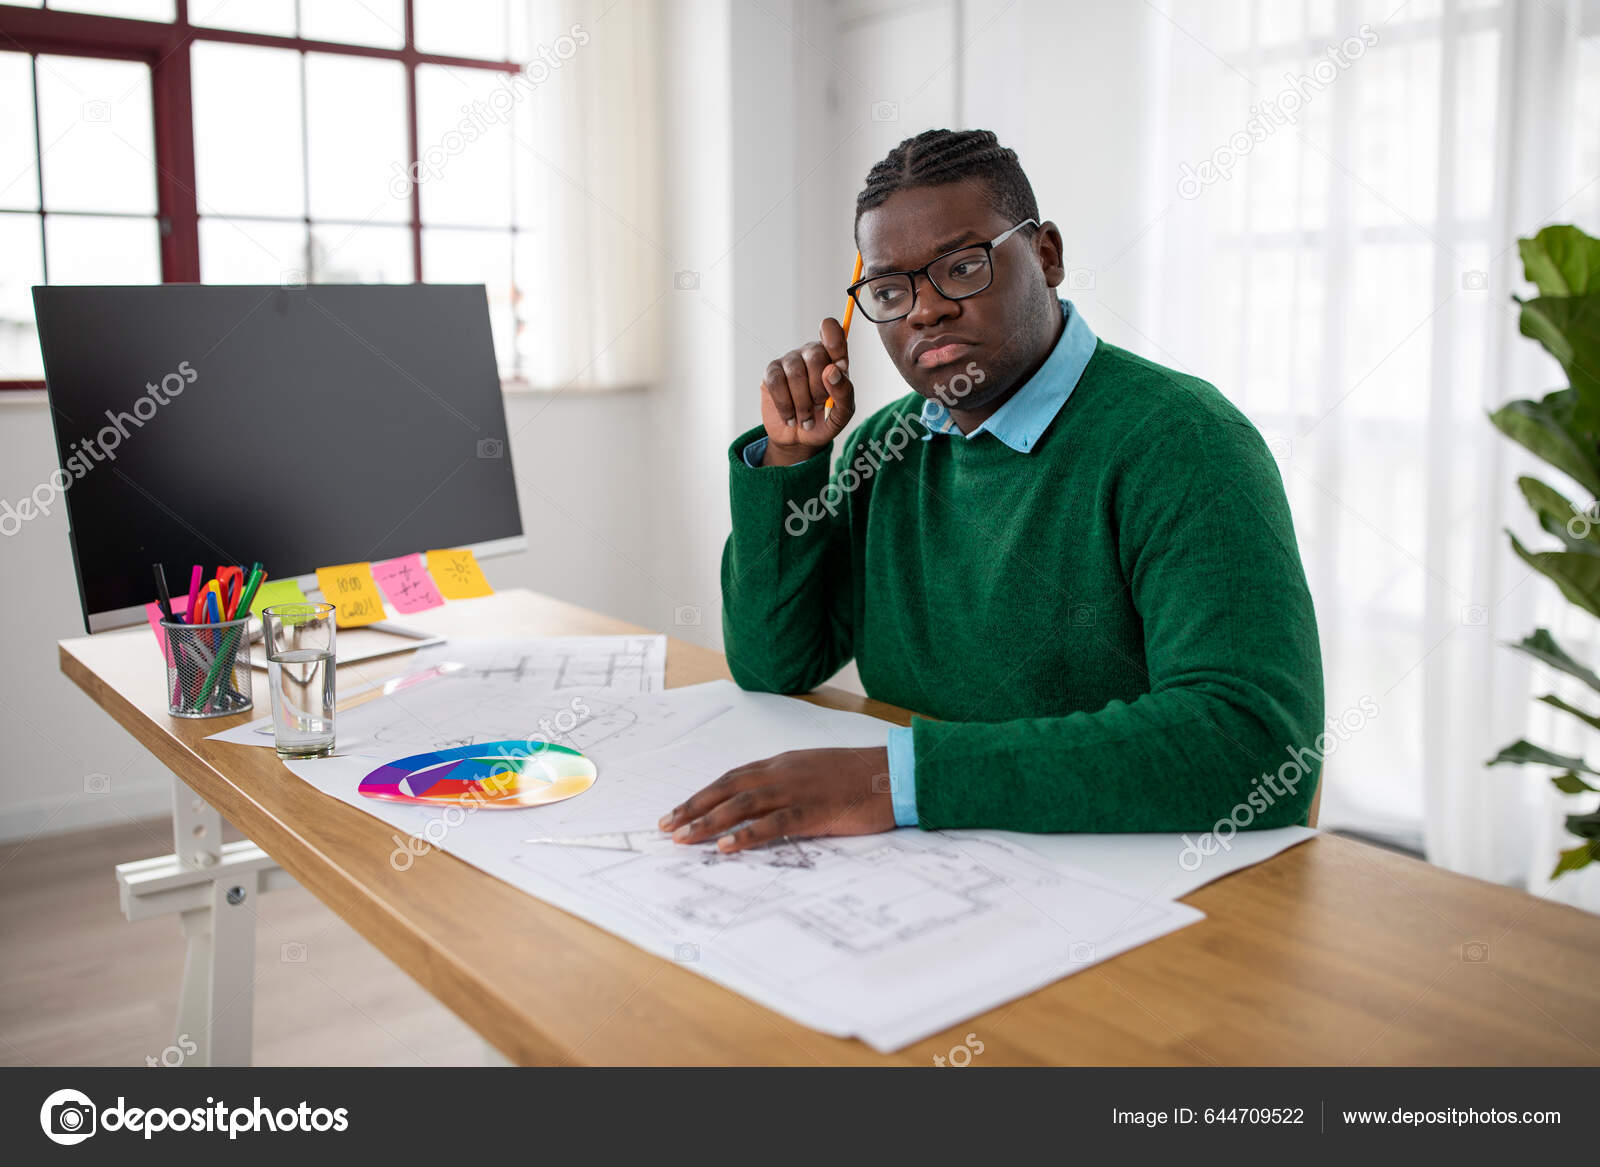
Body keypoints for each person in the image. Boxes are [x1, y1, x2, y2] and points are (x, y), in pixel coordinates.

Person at [659, 128, 1323, 854]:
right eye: (890, 289)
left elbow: (1252, 740)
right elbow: (771, 664)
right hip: (932, 866)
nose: (925, 310)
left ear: (1046, 256)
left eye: (962, 266)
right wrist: (791, 465)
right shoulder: (888, 446)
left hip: (1130, 876)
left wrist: (895, 781)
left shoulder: (1184, 440)